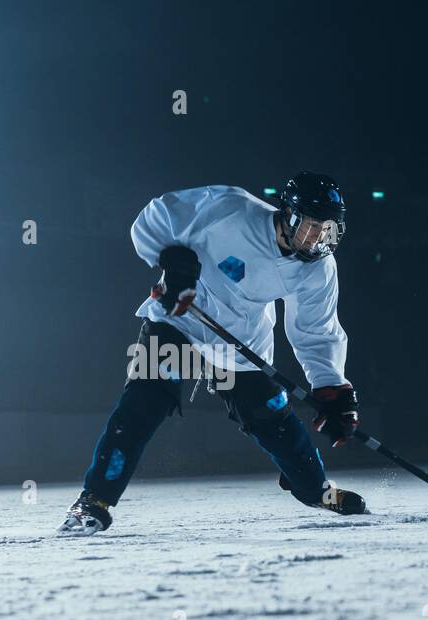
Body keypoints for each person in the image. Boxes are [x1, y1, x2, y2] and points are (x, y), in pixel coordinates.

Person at [58, 172, 367, 536]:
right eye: (311, 226)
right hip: (179, 321)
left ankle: (317, 491)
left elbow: (315, 330)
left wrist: (330, 387)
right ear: (288, 215)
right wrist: (171, 259)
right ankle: (93, 501)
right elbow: (155, 217)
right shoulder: (229, 209)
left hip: (241, 345)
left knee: (275, 421)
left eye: (326, 230)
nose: (317, 238)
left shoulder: (318, 268)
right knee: (143, 404)